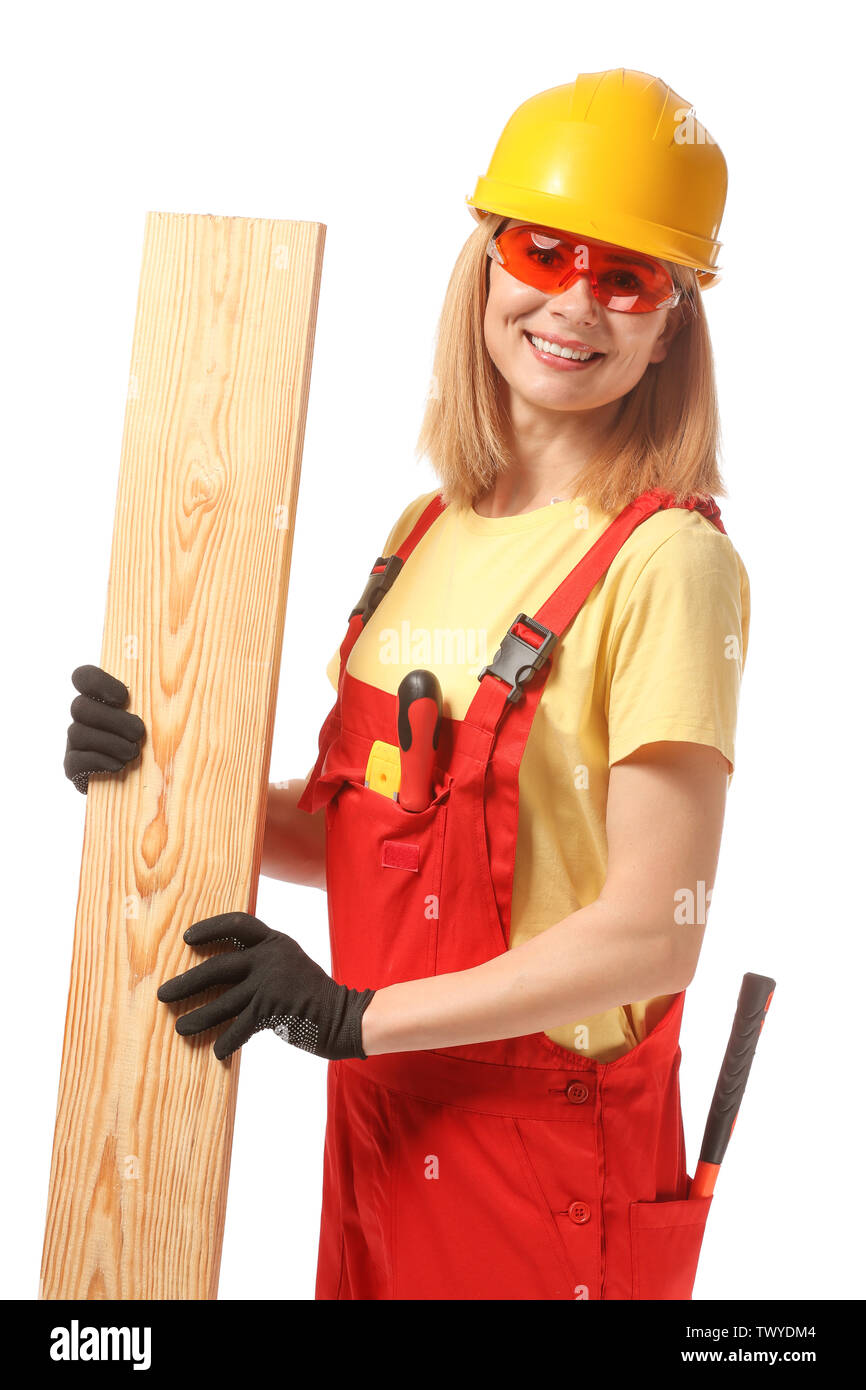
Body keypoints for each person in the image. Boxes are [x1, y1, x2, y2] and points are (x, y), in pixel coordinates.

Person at [63, 68, 749, 1300]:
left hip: (544, 1157)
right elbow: (373, 840)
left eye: (626, 277)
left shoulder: (669, 562)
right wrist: (150, 764)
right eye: (544, 250)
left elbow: (656, 928)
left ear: (670, 320)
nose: (573, 304)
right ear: (486, 264)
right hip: (385, 1123)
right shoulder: (420, 529)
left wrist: (349, 1015)